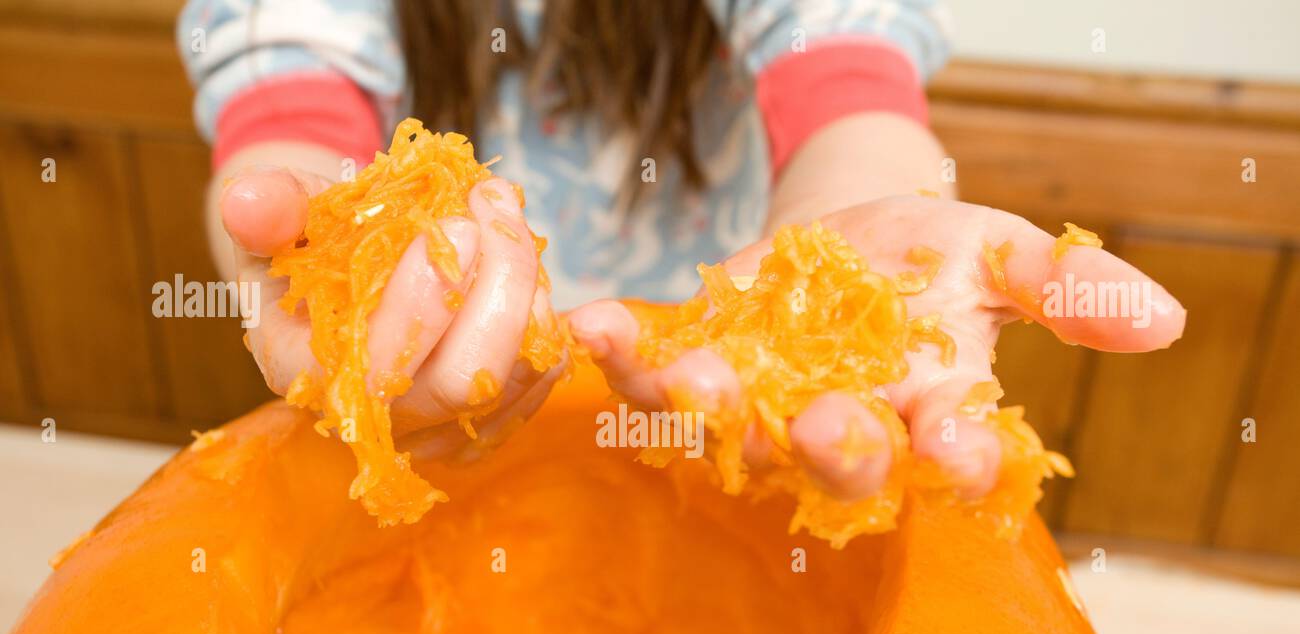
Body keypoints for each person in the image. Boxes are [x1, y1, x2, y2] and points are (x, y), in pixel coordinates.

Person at [180, 0, 1184, 496]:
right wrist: (323, 263)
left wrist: (863, 224)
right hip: (441, 379)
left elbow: (841, 70)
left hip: (727, 367)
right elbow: (287, 114)